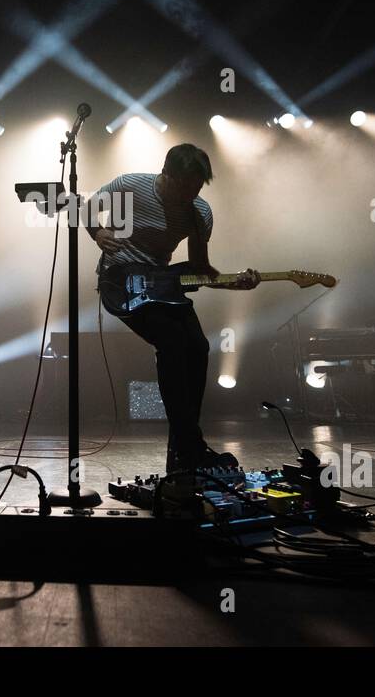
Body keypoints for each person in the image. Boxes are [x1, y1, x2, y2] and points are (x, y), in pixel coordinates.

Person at [87, 144, 259, 473]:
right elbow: (85, 208)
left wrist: (234, 282)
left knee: (198, 346)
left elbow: (198, 266)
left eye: (197, 187)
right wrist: (98, 232)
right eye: (184, 186)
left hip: (162, 282)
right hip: (121, 279)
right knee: (171, 342)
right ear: (166, 175)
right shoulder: (131, 185)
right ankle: (190, 446)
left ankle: (185, 444)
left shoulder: (199, 212)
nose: (190, 194)